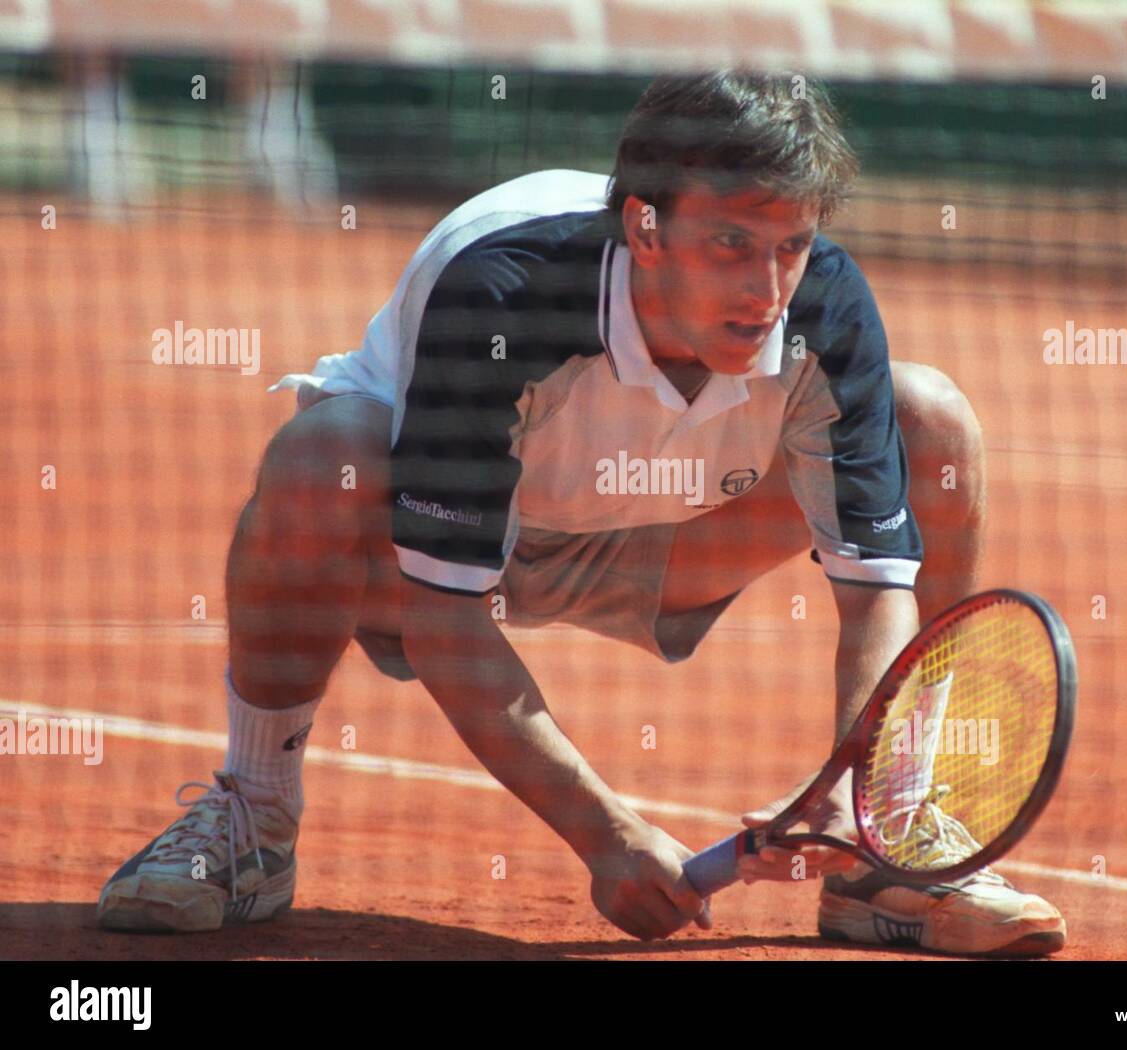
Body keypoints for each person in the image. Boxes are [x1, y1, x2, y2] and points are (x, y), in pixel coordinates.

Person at [97, 71, 1065, 955]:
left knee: (926, 416)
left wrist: (857, 787)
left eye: (790, 245)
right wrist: (605, 834)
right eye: (729, 243)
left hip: (667, 537)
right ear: (643, 229)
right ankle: (252, 821)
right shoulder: (507, 293)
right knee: (324, 453)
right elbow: (444, 616)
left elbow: (874, 595)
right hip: (427, 550)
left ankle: (886, 849)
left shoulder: (822, 303)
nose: (767, 287)